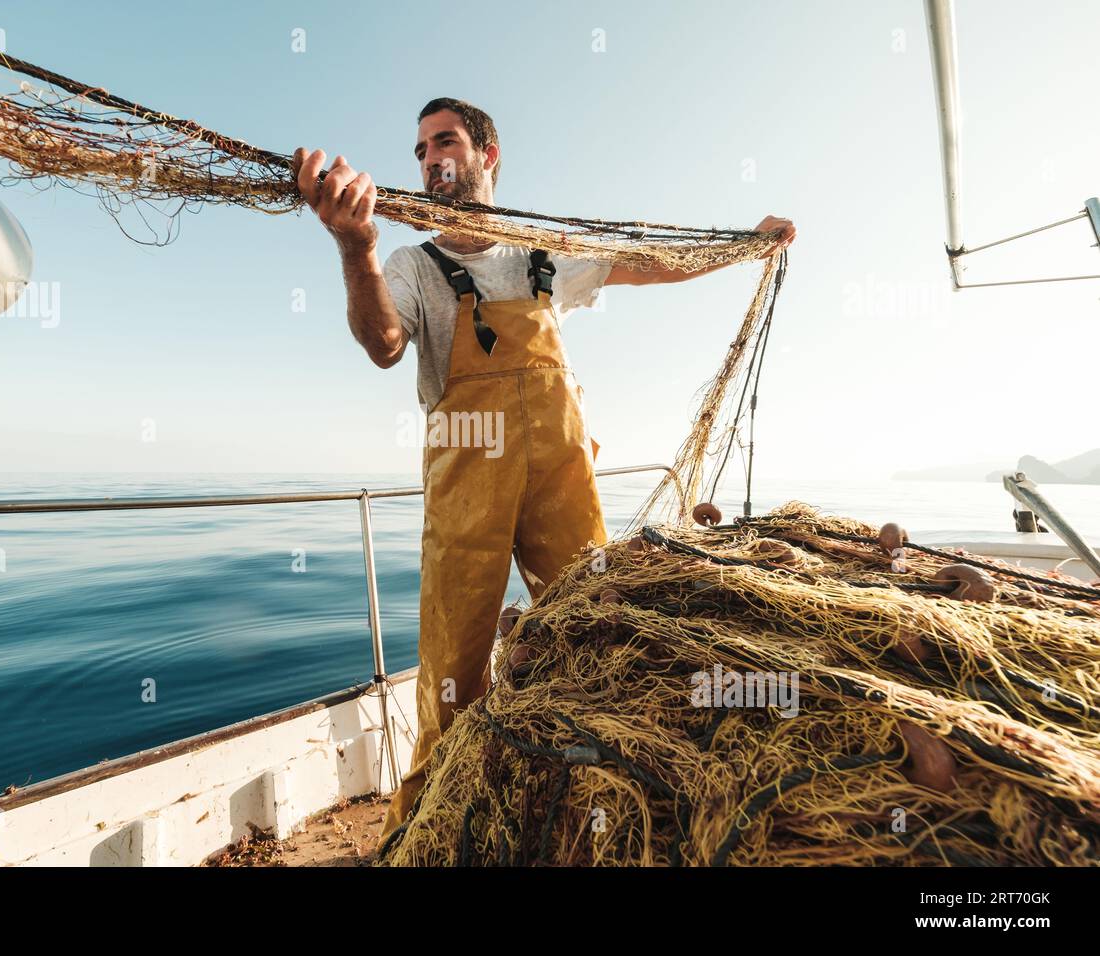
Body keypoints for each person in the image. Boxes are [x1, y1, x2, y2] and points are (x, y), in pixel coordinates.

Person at [293, 97, 794, 841]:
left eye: (447, 142)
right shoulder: (410, 266)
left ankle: (602, 805)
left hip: (561, 478)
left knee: (598, 636)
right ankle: (433, 829)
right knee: (454, 674)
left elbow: (648, 261)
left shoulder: (537, 252)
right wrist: (355, 246)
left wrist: (740, 246)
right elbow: (385, 342)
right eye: (421, 149)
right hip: (466, 493)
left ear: (488, 155)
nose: (431, 159)